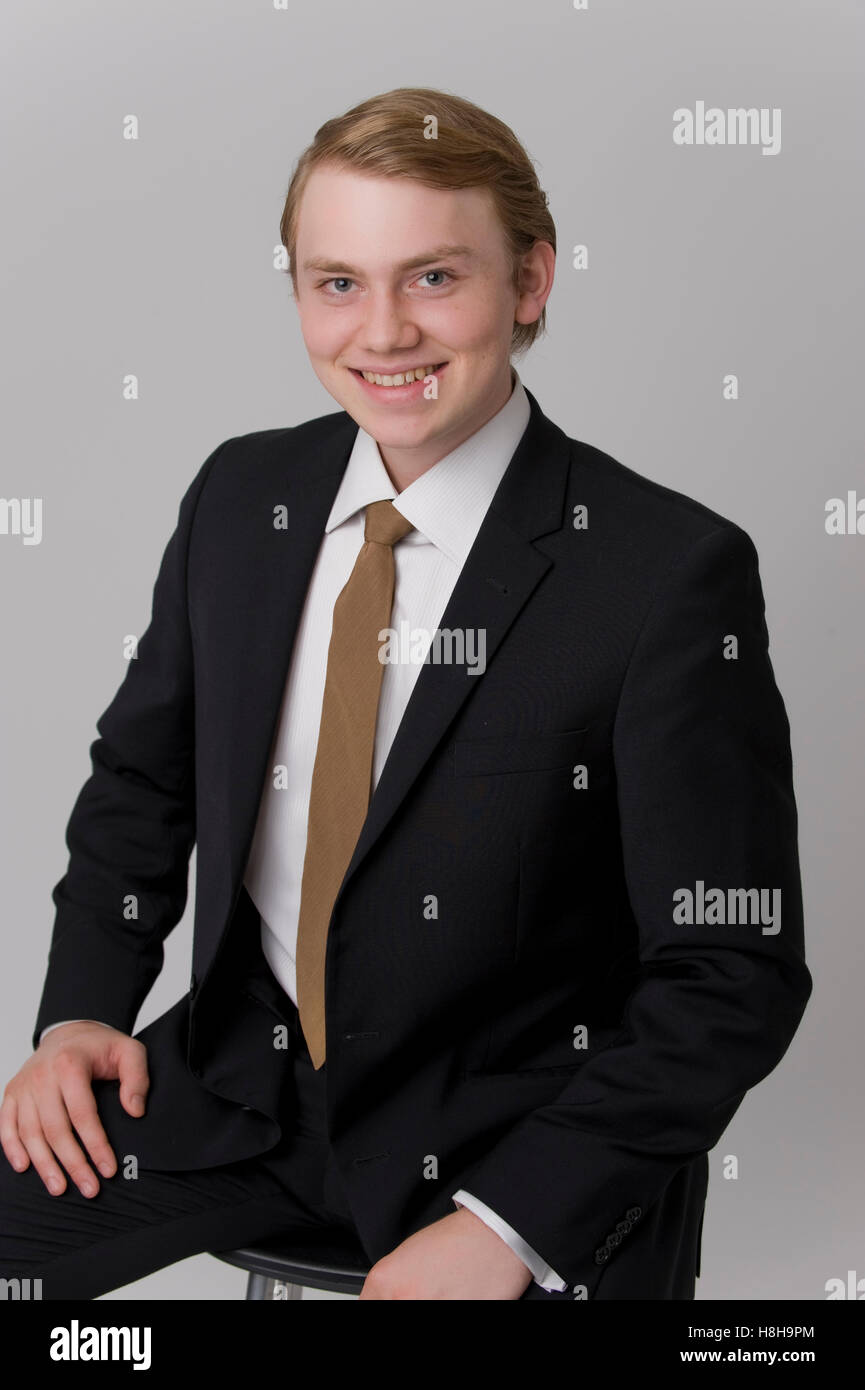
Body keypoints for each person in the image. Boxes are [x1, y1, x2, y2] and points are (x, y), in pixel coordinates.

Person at [0, 87, 811, 1300]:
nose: (381, 332)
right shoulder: (240, 498)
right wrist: (77, 1013)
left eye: (433, 277)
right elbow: (143, 780)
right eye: (337, 282)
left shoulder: (666, 574)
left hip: (521, 1134)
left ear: (530, 281)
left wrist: (509, 1225)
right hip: (245, 1092)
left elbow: (731, 967)